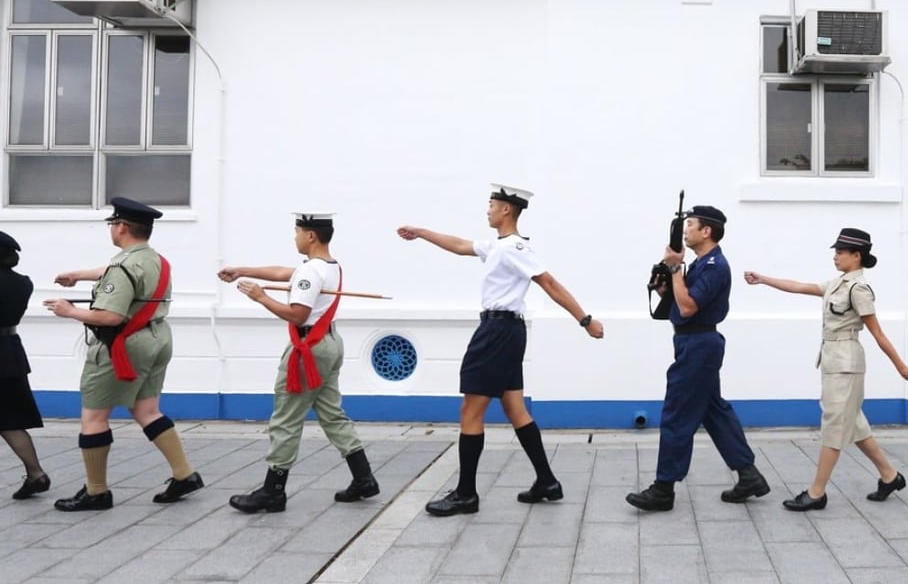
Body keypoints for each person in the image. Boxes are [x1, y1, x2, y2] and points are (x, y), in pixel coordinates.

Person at [397, 183, 604, 516]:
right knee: (514, 408)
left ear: (507, 210)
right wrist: (421, 232)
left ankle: (466, 494)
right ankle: (547, 481)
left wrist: (585, 320)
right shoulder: (497, 246)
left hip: (497, 332)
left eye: (491, 204)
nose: (488, 209)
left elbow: (548, 283)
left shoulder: (515, 248)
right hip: (503, 331)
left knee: (470, 411)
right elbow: (460, 244)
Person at [43, 197, 203, 511]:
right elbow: (116, 271)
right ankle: (184, 474)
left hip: (125, 346)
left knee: (93, 417)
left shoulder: (123, 266)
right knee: (147, 411)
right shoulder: (155, 259)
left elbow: (110, 317)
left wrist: (70, 311)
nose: (112, 230)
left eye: (113, 224)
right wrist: (80, 274)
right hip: (157, 338)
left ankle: (96, 491)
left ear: (122, 228)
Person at [742, 228, 908, 512]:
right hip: (833, 360)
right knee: (855, 425)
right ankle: (890, 476)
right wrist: (763, 279)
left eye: (841, 252)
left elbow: (877, 333)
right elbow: (800, 286)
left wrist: (901, 367)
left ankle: (816, 492)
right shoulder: (838, 284)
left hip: (847, 364)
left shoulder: (858, 289)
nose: (835, 256)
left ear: (856, 256)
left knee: (833, 427)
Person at [219, 212, 379, 514]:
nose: (294, 237)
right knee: (332, 414)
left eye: (296, 231)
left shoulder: (310, 273)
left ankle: (273, 490)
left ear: (310, 236)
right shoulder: (328, 266)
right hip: (329, 344)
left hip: (309, 350)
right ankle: (364, 477)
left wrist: (260, 297)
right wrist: (241, 270)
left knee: (286, 418)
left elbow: (297, 314)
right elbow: (284, 273)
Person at [626, 205, 771, 512]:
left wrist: (676, 269)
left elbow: (690, 308)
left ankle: (664, 489)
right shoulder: (702, 262)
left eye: (690, 224)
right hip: (695, 343)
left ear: (707, 231)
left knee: (677, 414)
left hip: (698, 345)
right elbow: (681, 302)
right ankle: (749, 475)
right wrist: (667, 286)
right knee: (714, 411)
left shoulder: (715, 265)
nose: (686, 229)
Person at [1, 231, 51, 500]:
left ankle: (36, 474)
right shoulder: (24, 284)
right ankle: (35, 473)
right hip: (10, 352)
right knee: (9, 419)